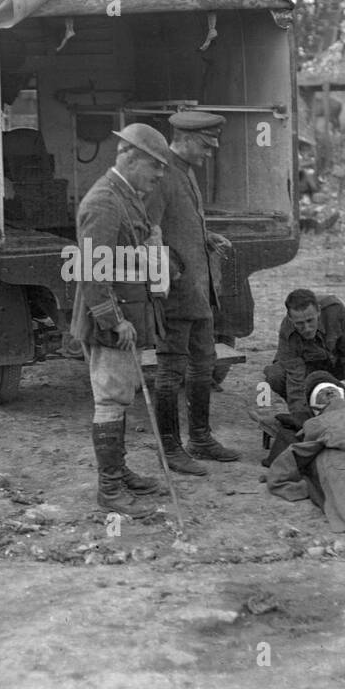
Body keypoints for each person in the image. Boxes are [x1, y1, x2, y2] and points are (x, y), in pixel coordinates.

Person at [71, 124, 174, 517]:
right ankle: (109, 490)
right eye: (154, 165)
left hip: (127, 314)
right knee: (111, 399)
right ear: (128, 157)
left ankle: (119, 470)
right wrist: (113, 320)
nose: (160, 174)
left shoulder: (126, 196)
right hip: (110, 320)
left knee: (122, 396)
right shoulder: (104, 201)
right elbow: (91, 269)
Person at [142, 110, 238, 476]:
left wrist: (205, 238)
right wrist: (169, 278)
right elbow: (149, 235)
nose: (209, 152)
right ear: (182, 138)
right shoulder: (162, 174)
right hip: (176, 293)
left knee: (203, 366)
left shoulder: (186, 171)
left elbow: (180, 225)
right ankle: (170, 448)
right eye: (205, 145)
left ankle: (200, 438)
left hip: (199, 292)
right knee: (170, 371)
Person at [262, 288, 345, 426]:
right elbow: (295, 378)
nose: (307, 328)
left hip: (340, 361)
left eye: (310, 320)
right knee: (275, 374)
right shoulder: (287, 332)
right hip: (311, 374)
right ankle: (313, 408)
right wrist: (303, 420)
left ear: (318, 311)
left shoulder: (334, 309)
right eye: (300, 324)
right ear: (291, 319)